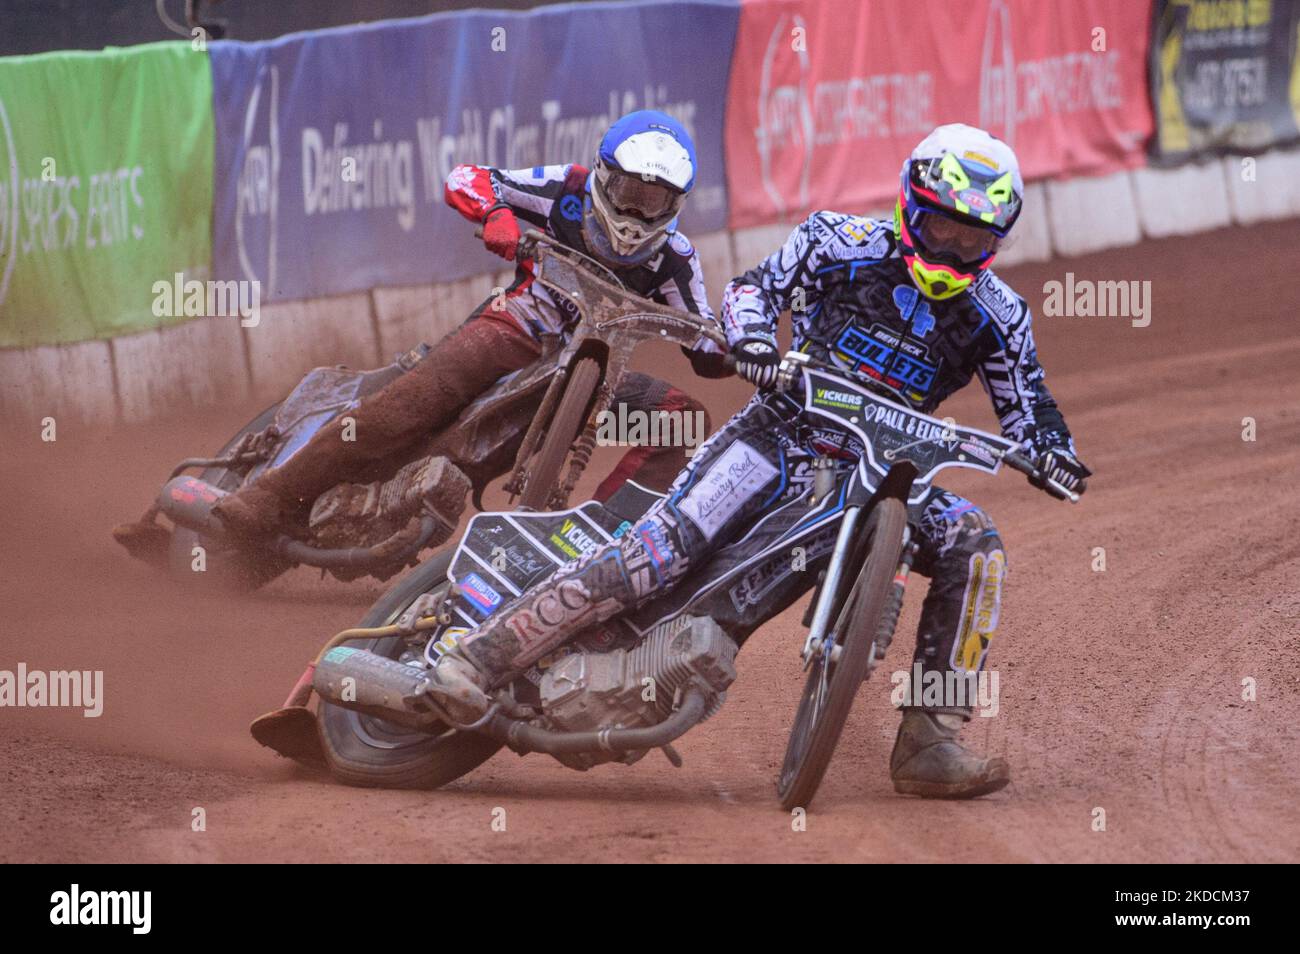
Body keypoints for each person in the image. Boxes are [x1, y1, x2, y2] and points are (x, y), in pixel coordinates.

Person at [422, 123, 1091, 799]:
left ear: (996, 240)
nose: (952, 247)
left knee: (976, 546)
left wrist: (1054, 453)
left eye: (972, 238)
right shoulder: (839, 241)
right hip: (780, 434)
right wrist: (752, 342)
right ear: (911, 206)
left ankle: (931, 737)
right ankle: (479, 659)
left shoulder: (999, 313)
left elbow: (1030, 405)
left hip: (889, 470)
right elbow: (754, 292)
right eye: (942, 229)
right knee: (657, 555)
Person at [212, 110, 727, 540]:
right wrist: (496, 213)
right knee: (405, 407)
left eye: (654, 200)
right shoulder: (564, 190)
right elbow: (467, 177)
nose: (637, 210)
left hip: (598, 379)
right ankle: (269, 498)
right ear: (602, 174)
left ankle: (598, 544)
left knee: (681, 421)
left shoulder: (676, 259)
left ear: (676, 205)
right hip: (518, 330)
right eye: (628, 190)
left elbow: (705, 341)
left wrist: (738, 349)